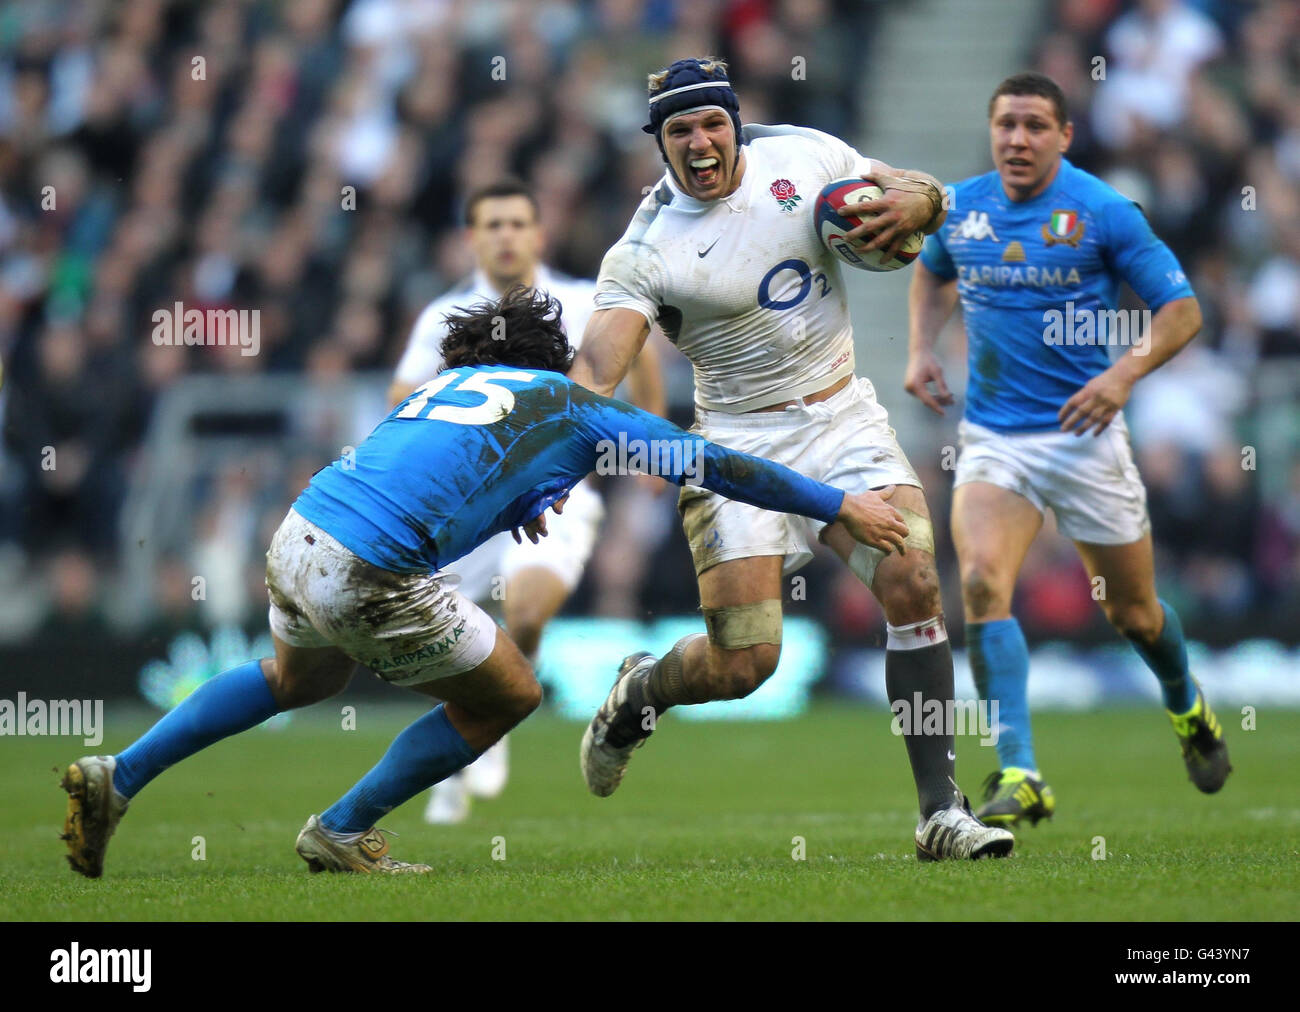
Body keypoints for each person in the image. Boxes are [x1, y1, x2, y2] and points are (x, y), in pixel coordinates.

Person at [61, 286, 916, 877]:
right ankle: (341, 830)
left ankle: (121, 772)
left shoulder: (446, 388)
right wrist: (838, 501)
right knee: (508, 693)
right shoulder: (574, 405)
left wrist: (525, 497)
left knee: (298, 676)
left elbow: (450, 470)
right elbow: (720, 467)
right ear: (560, 359)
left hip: (299, 529)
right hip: (370, 570)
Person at [568, 57, 1013, 861]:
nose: (700, 142)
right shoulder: (646, 249)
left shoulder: (807, 155)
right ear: (659, 145)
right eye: (679, 131)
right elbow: (596, 371)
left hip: (841, 415)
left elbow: (915, 192)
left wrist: (929, 199)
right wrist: (552, 466)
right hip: (736, 447)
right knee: (745, 667)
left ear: (735, 121)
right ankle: (642, 690)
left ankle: (940, 814)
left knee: (913, 576)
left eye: (711, 123)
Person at [905, 71, 1230, 828]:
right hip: (994, 439)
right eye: (1007, 125)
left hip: (1086, 437)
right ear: (992, 132)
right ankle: (1020, 772)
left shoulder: (1103, 212)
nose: (1018, 139)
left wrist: (1122, 376)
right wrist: (921, 349)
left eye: (1035, 126)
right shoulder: (961, 209)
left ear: (1065, 136)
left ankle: (1186, 707)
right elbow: (930, 273)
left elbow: (1182, 313)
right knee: (982, 581)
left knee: (1136, 616)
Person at [390, 178, 664, 824]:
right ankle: (465, 742)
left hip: (557, 501)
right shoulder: (443, 318)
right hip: (467, 509)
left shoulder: (580, 301)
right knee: (446, 643)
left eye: (518, 223)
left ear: (539, 234)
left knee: (528, 613)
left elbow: (643, 361)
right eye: (492, 224)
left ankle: (491, 732)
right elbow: (400, 395)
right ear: (471, 238)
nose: (506, 235)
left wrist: (651, 438)